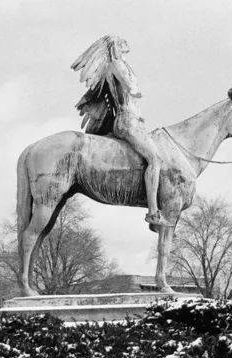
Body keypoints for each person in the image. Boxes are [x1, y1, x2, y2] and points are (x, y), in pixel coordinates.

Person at [72, 35, 170, 232]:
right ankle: (152, 212)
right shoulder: (116, 65)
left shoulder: (118, 64)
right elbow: (129, 86)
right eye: (122, 42)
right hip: (127, 121)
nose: (126, 44)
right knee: (155, 159)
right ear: (115, 46)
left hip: (131, 120)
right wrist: (134, 89)